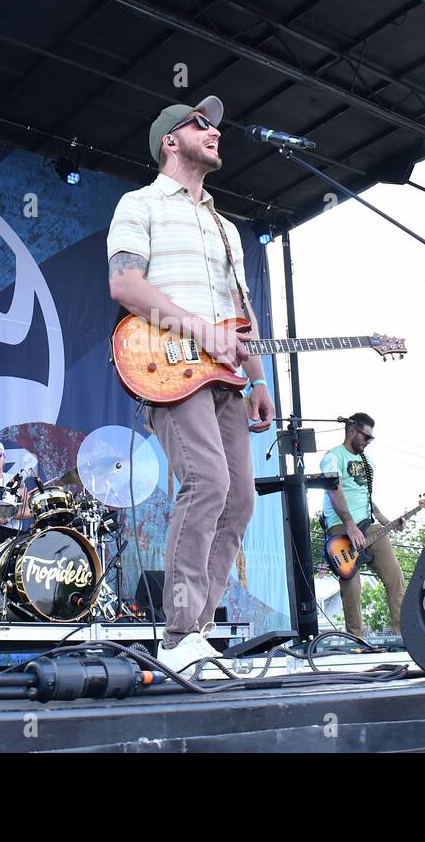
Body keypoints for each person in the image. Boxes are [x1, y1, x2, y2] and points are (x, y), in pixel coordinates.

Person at [106, 95, 274, 674]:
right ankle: (177, 634)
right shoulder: (139, 203)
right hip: (168, 365)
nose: (215, 131)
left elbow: (240, 316)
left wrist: (257, 378)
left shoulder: (228, 230)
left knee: (241, 498)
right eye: (201, 123)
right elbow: (126, 286)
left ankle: (198, 632)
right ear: (169, 141)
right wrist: (202, 329)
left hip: (227, 375)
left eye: (217, 125)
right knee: (206, 481)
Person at [321, 413, 407, 638]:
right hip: (342, 527)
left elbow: (366, 496)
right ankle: (355, 639)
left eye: (371, 438)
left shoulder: (368, 462)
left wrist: (386, 520)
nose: (369, 442)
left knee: (395, 576)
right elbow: (333, 489)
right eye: (366, 437)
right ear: (351, 431)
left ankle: (404, 634)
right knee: (352, 587)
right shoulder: (333, 457)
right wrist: (349, 524)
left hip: (369, 526)